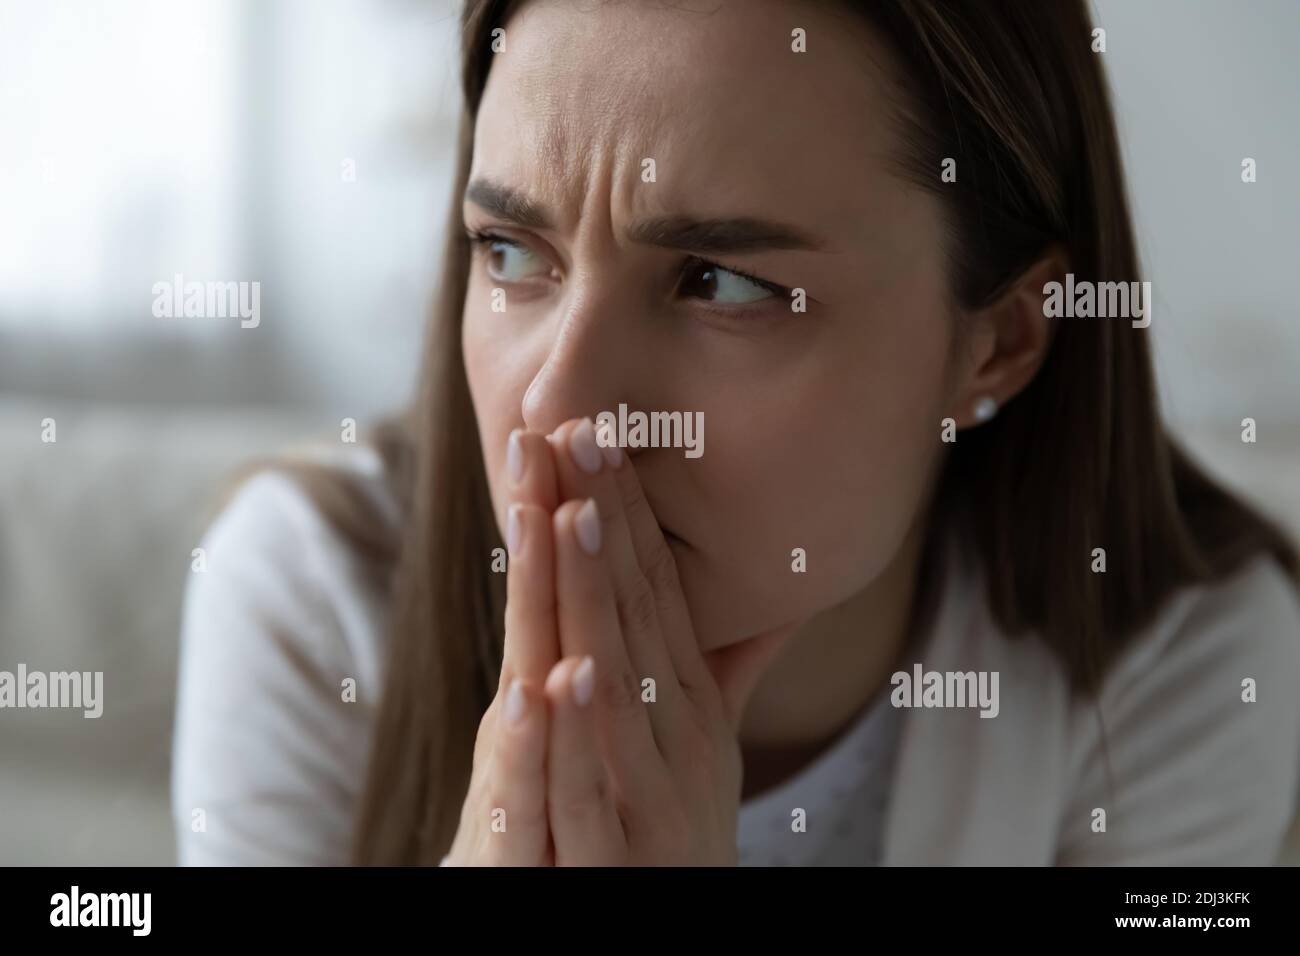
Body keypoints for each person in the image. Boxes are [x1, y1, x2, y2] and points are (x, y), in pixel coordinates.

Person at [172, 0, 1300, 866]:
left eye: (720, 282)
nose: (559, 406)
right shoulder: (310, 597)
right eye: (512, 253)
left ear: (996, 341)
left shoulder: (1184, 664)